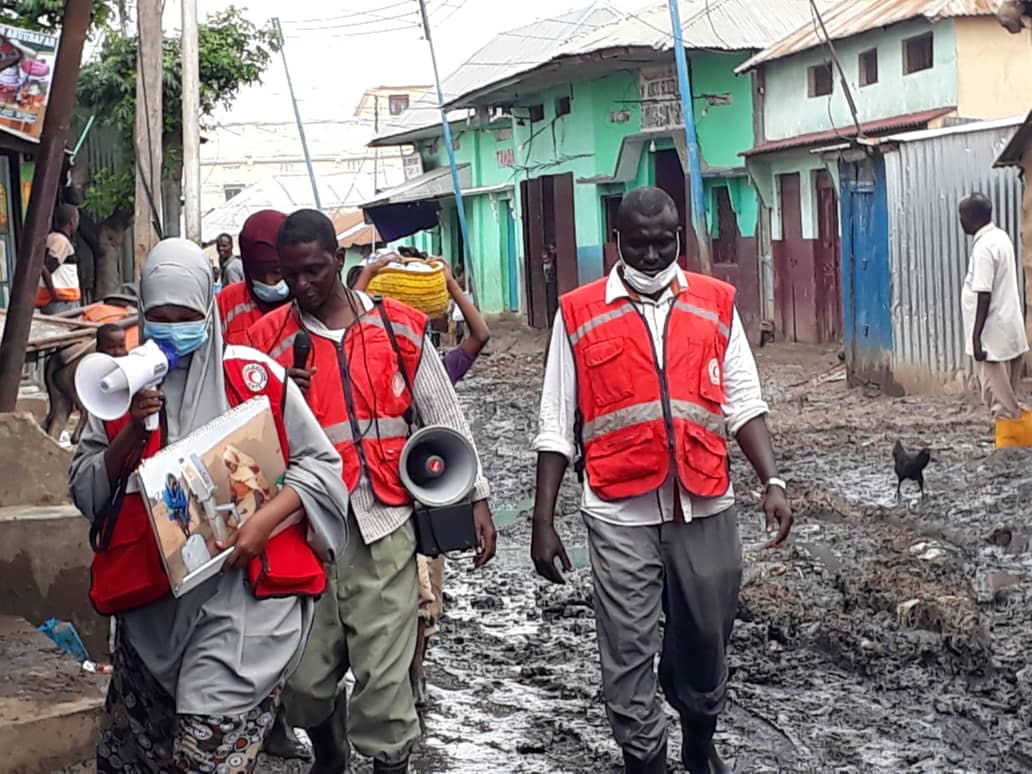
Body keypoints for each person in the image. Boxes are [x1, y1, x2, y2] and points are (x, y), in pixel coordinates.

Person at [530, 187, 793, 774]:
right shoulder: (578, 311)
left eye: (664, 241)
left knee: (706, 644)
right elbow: (555, 420)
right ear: (618, 240)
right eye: (640, 242)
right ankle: (644, 756)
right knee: (626, 650)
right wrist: (543, 521)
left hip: (705, 502)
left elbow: (744, 401)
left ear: (678, 236)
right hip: (618, 510)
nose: (652, 254)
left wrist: (772, 482)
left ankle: (699, 733)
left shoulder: (715, 303)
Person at [69, 238, 348, 773]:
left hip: (242, 610)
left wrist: (265, 521)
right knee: (133, 761)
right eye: (160, 317)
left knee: (204, 755)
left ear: (211, 308)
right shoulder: (117, 386)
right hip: (151, 618)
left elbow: (322, 470)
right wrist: (129, 432)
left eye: (187, 316)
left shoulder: (254, 380)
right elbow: (85, 492)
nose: (174, 329)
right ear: (143, 315)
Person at [248, 209, 496, 774]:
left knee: (386, 678)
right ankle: (329, 750)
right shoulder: (267, 342)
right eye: (291, 276)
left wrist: (475, 496)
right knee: (305, 678)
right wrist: (278, 397)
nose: (302, 286)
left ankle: (389, 761)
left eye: (313, 270)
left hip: (385, 520)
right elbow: (245, 445)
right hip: (302, 530)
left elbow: (442, 413)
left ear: (340, 261)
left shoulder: (400, 326)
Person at [351, 251, 492, 705]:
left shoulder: (437, 367)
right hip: (383, 501)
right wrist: (370, 277)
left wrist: (448, 284)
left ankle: (416, 671)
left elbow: (481, 334)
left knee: (428, 595)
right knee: (399, 597)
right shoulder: (357, 366)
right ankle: (401, 677)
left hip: (427, 496)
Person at [959, 193, 1029, 424]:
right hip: (1008, 332)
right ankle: (1017, 448)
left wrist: (976, 338)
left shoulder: (984, 248)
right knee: (1010, 398)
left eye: (962, 215)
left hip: (993, 341)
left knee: (1001, 404)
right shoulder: (1001, 238)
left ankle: (1008, 453)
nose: (960, 221)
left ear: (972, 217)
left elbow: (984, 294)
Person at [216, 211, 292, 346]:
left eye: (277, 272)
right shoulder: (226, 303)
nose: (269, 283)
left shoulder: (310, 301)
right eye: (258, 274)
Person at [37, 204, 82, 315]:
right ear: (72, 221)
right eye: (77, 219)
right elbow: (45, 268)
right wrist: (54, 295)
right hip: (63, 302)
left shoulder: (51, 237)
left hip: (56, 301)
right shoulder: (61, 241)